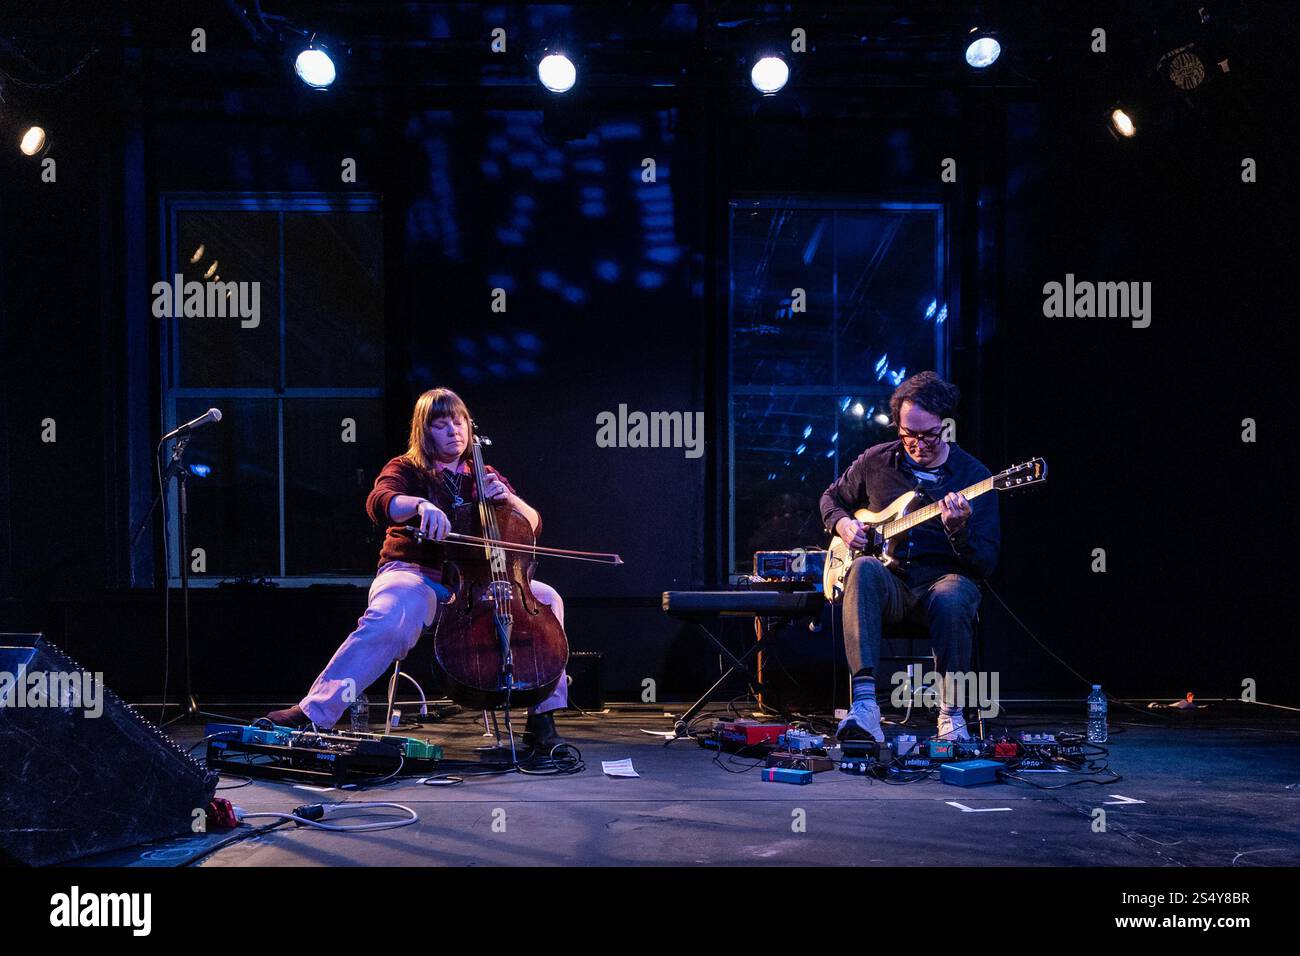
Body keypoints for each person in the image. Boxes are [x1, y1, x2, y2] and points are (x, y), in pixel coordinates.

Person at [267, 387, 568, 749]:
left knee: (547, 599)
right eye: (442, 425)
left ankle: (543, 719)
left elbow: (531, 527)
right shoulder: (407, 468)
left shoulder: (483, 474)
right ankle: (315, 713)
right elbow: (380, 502)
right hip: (416, 575)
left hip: (478, 587)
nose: (454, 431)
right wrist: (420, 506)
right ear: (424, 432)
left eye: (458, 423)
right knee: (391, 616)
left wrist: (509, 499)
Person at [819, 371, 999, 742]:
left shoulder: (973, 476)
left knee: (953, 595)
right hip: (893, 584)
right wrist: (843, 525)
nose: (918, 444)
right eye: (908, 434)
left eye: (929, 434)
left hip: (942, 582)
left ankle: (951, 715)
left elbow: (985, 563)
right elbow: (830, 499)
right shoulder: (876, 462)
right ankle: (866, 707)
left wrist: (957, 530)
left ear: (946, 425)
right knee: (864, 568)